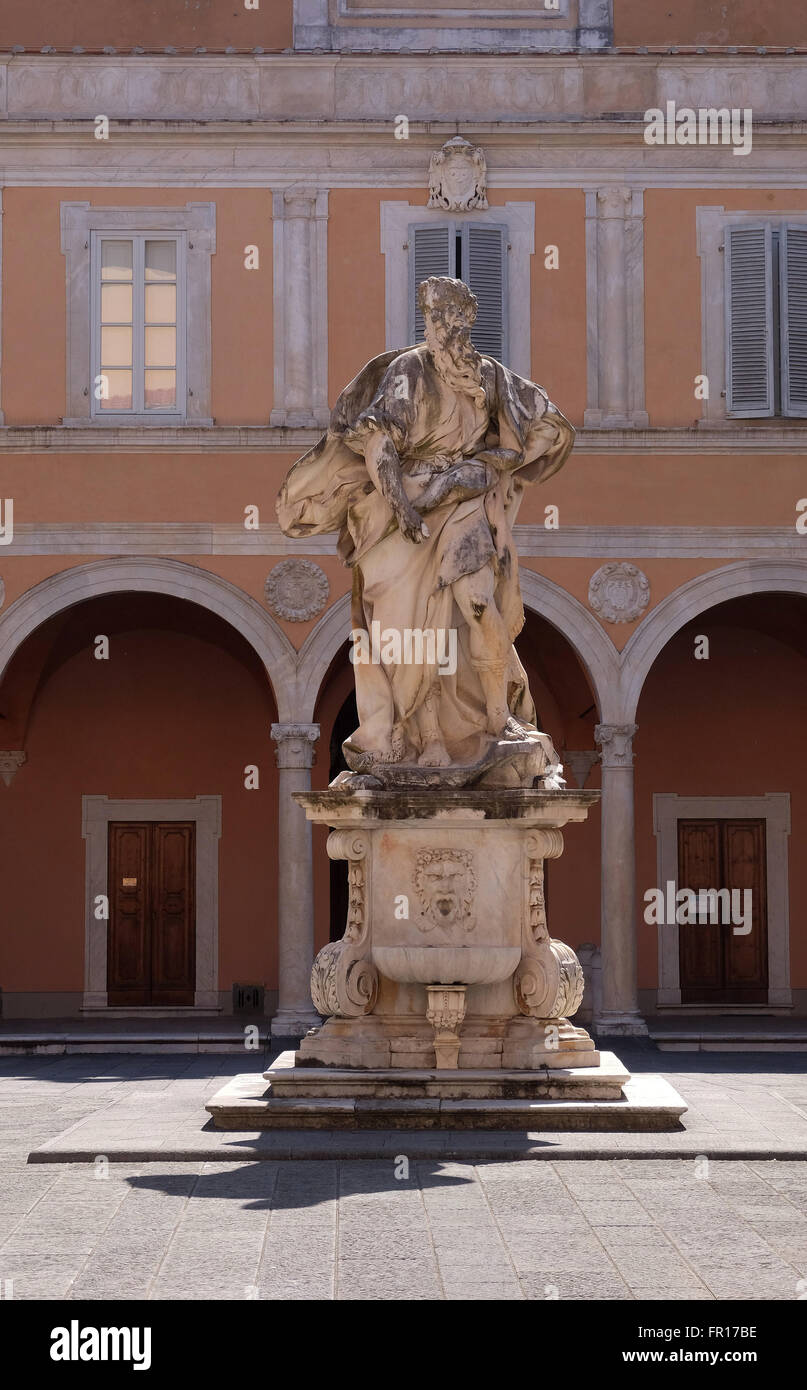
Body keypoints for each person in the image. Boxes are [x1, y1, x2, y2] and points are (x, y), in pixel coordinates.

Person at [277, 275, 575, 776]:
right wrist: (403, 508)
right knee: (414, 633)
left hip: (465, 503)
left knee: (477, 604)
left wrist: (497, 464)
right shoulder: (409, 371)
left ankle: (498, 718)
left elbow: (548, 426)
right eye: (434, 317)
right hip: (405, 511)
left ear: (467, 318)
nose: (440, 326)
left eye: (449, 315)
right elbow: (379, 443)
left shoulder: (490, 377)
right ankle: (429, 737)